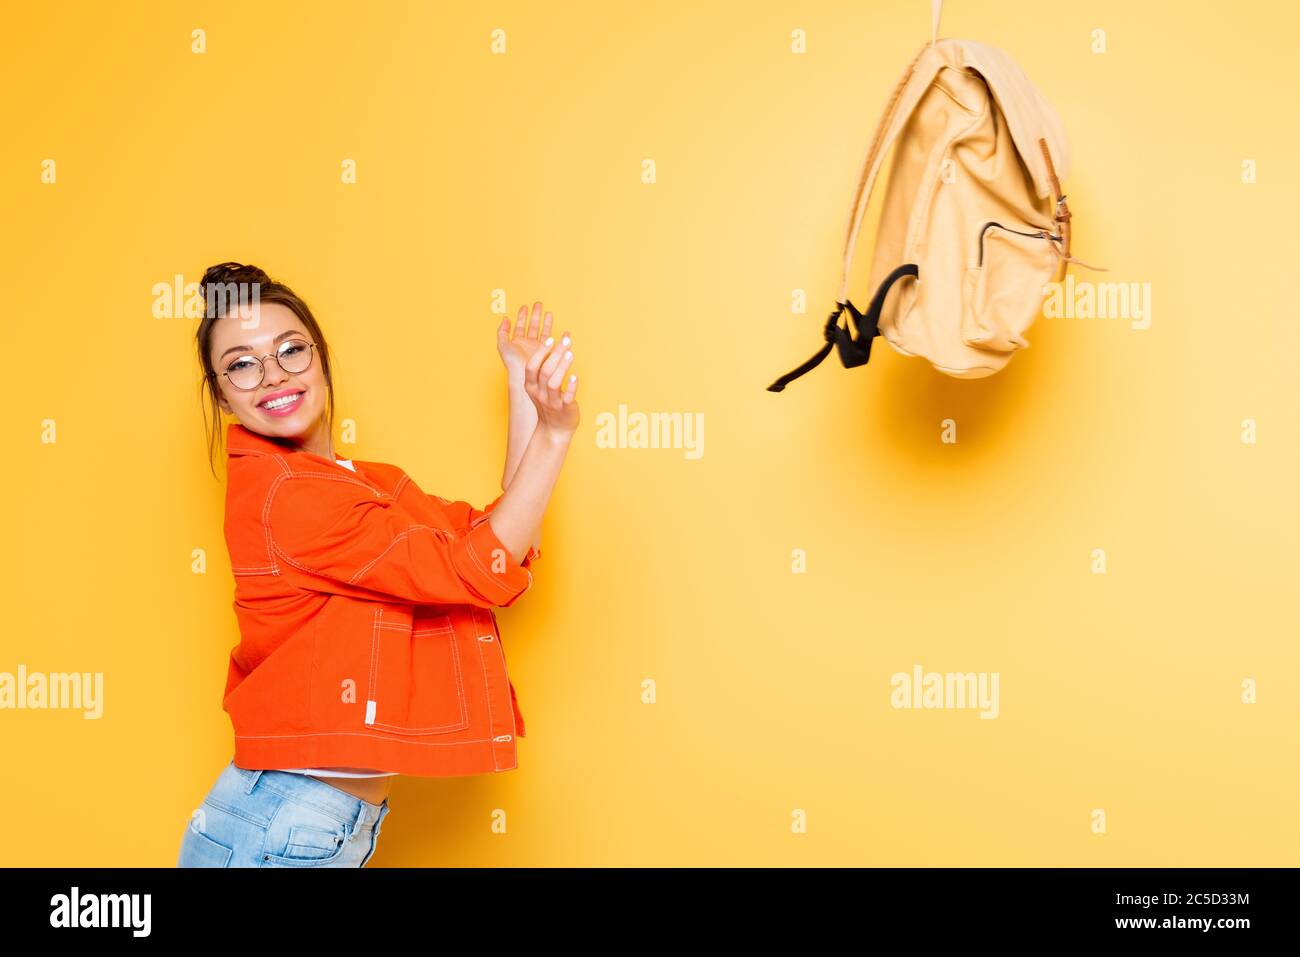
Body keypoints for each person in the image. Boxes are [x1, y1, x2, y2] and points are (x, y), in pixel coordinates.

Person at [176, 262, 578, 866]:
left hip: (314, 820)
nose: (274, 377)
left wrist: (524, 387)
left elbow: (501, 540)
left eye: (291, 351)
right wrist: (554, 433)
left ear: (321, 357)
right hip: (286, 819)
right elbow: (477, 568)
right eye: (241, 363)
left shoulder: (359, 482)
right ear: (219, 391)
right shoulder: (288, 495)